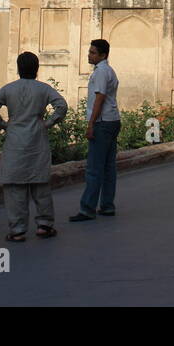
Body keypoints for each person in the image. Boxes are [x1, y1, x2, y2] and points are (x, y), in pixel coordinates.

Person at [0, 51, 68, 241]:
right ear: (37, 69)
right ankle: (44, 225)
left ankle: (17, 230)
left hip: (15, 138)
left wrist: (3, 124)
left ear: (18, 68)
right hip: (37, 137)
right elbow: (61, 106)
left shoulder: (9, 89)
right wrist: (48, 123)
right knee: (40, 184)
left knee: (15, 187)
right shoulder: (43, 89)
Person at [71, 38, 120, 222]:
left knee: (94, 168)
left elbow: (99, 99)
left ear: (103, 55)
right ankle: (107, 205)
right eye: (89, 51)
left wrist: (91, 124)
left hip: (103, 122)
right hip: (112, 120)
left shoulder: (101, 72)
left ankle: (87, 208)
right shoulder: (109, 71)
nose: (89, 55)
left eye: (92, 52)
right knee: (108, 167)